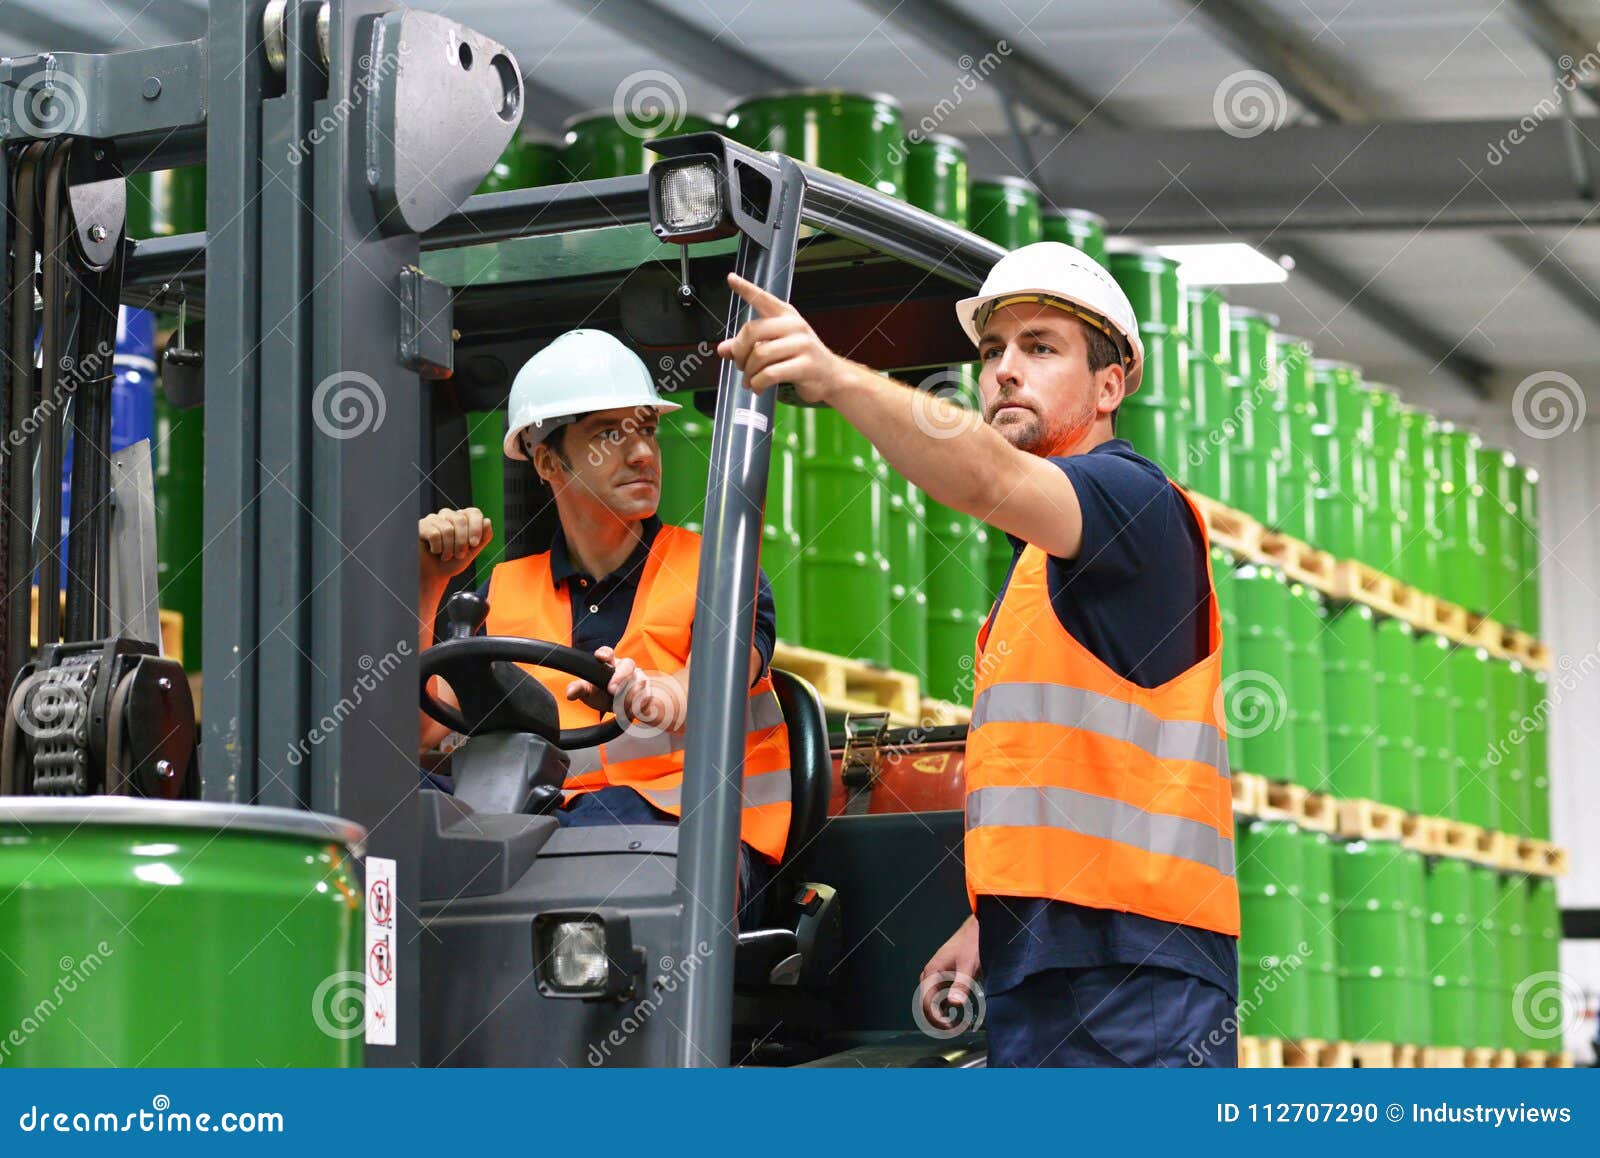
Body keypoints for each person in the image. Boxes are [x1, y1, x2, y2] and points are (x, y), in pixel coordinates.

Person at [716, 243, 1239, 1066]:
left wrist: (837, 375)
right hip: (1051, 958)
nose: (1003, 371)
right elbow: (1058, 772)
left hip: (1138, 967)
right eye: (992, 351)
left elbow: (985, 478)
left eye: (1040, 347)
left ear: (1111, 385)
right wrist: (989, 920)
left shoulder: (1136, 505)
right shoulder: (1039, 564)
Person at [418, 328, 791, 927]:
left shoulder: (719, 570)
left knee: (593, 839)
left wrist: (656, 696)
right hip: (546, 835)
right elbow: (417, 734)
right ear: (547, 461)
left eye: (645, 430)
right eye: (608, 435)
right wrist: (429, 583)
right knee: (389, 808)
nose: (642, 453)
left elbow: (714, 686)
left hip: (695, 843)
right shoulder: (501, 592)